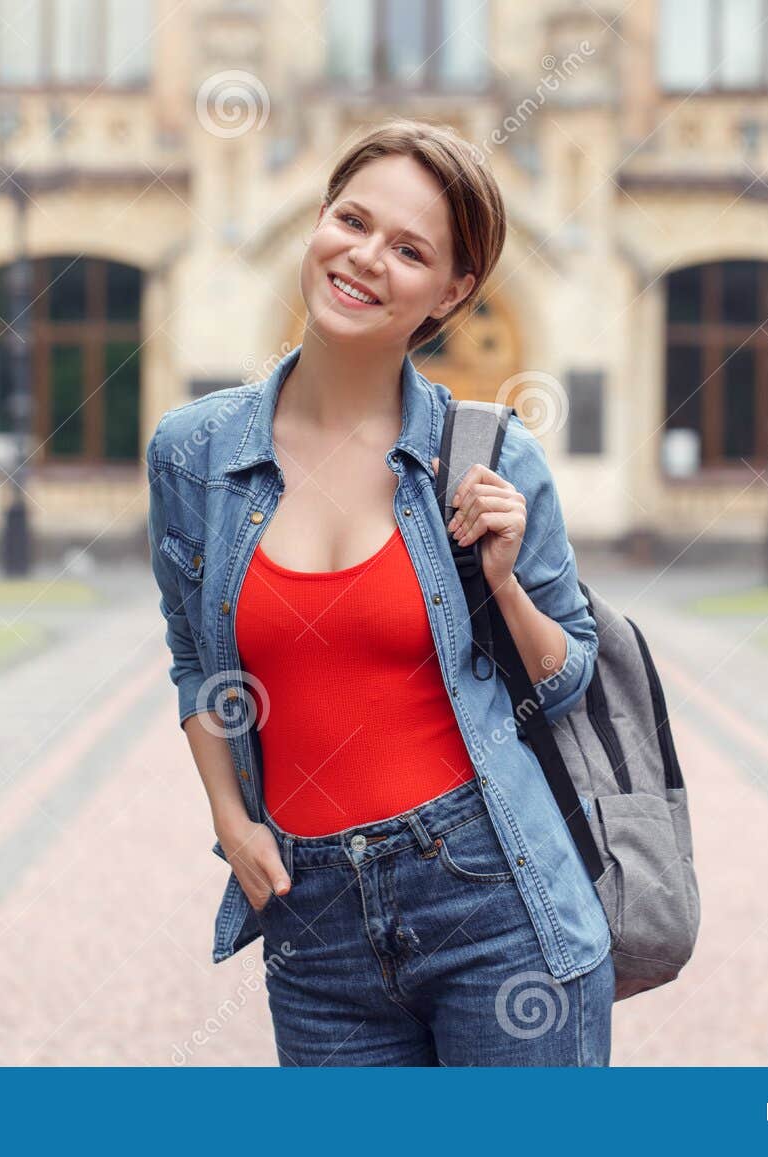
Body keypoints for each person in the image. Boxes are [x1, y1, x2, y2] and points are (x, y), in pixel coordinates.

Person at [145, 119, 612, 1066]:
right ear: (318, 220)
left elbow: (571, 675)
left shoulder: (490, 454)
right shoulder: (193, 455)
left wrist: (503, 582)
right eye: (352, 221)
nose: (365, 258)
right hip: (314, 927)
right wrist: (231, 823)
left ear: (453, 291)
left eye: (409, 249)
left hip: (494, 901)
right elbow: (197, 665)